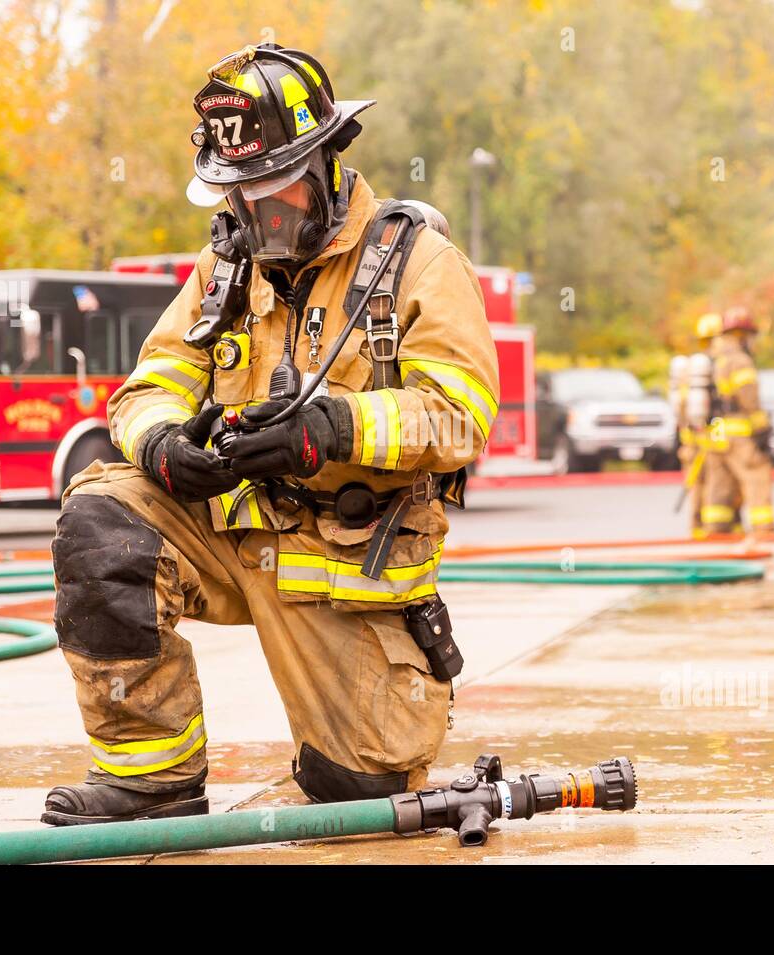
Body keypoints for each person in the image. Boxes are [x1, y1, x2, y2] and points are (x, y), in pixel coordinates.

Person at [41, 43, 499, 825]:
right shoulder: (225, 268)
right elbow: (150, 385)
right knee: (100, 518)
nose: (258, 213)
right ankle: (151, 779)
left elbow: (460, 410)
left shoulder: (418, 264)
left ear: (325, 159)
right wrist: (166, 447)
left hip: (346, 562)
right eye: (238, 194)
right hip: (233, 530)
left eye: (274, 187)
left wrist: (333, 430)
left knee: (358, 797)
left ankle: (362, 737)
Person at [700, 306, 774, 537]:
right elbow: (748, 398)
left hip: (717, 430)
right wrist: (761, 427)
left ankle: (717, 532)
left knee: (720, 481)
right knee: (756, 475)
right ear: (742, 336)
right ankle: (764, 532)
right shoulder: (740, 361)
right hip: (738, 430)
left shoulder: (713, 359)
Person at [672, 312, 726, 539]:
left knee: (698, 487)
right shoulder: (711, 366)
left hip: (690, 437)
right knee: (714, 483)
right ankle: (711, 531)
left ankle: (698, 530)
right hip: (710, 436)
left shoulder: (691, 367)